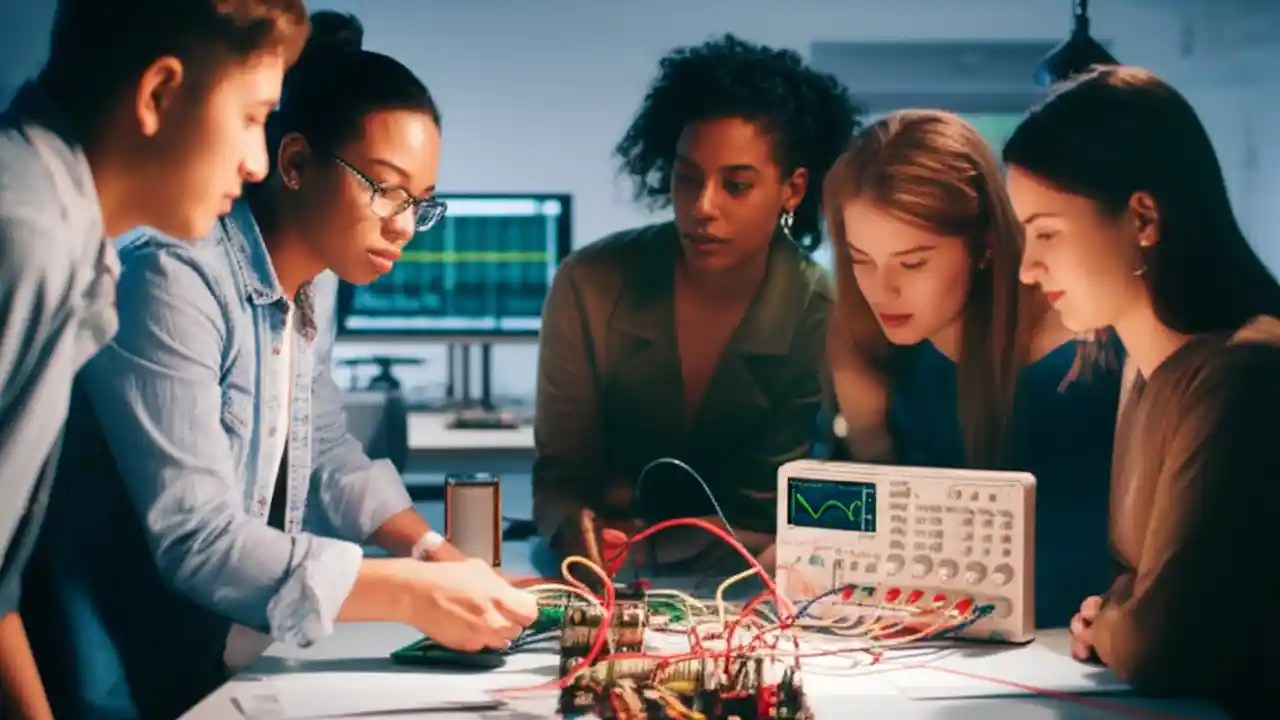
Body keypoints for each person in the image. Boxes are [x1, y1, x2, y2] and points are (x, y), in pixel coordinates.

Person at [22, 12, 537, 719]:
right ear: (295, 164)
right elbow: (199, 539)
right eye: (385, 190)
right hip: (123, 676)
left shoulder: (310, 283)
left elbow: (324, 448)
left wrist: (436, 555)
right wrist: (414, 594)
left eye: (420, 204)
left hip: (216, 658)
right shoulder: (166, 277)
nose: (406, 226)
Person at [0, 1, 309, 716]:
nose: (258, 161)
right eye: (252, 116)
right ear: (159, 95)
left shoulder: (62, 232)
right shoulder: (27, 235)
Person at [1004, 65, 1280, 712]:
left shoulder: (1241, 376)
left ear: (1143, 218)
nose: (1026, 268)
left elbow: (1167, 645)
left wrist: (1123, 620)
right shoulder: (1141, 364)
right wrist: (1129, 610)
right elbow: (1130, 584)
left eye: (1046, 232)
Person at [532, 34, 860, 573]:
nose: (701, 207)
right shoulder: (589, 284)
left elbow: (834, 502)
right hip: (600, 580)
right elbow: (562, 480)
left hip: (765, 589)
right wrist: (573, 525)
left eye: (736, 185)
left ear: (793, 189)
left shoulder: (829, 313)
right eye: (686, 179)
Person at [821, 110, 1122, 626]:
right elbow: (880, 521)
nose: (881, 289)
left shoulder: (1084, 332)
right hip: (929, 631)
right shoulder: (863, 338)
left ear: (984, 246)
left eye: (913, 263)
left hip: (1082, 635)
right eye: (860, 260)